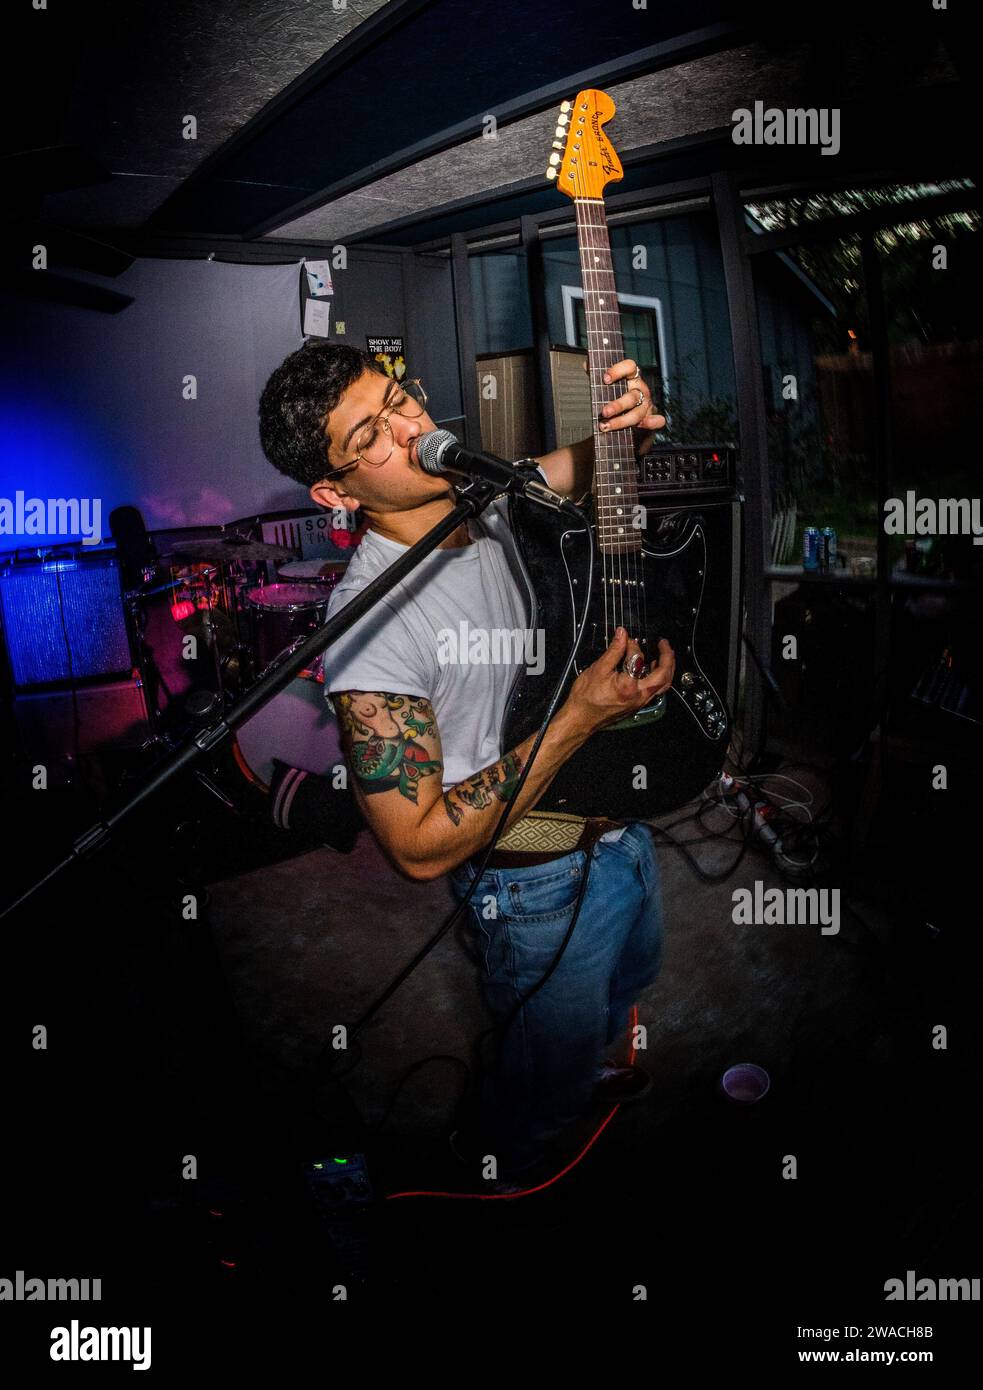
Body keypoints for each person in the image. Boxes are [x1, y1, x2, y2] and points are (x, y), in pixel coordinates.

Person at [258, 343, 674, 1182]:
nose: (412, 427)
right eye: (369, 433)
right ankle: (502, 1168)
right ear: (335, 493)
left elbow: (596, 464)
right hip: (532, 885)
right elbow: (413, 846)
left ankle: (584, 1066)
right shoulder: (370, 630)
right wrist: (579, 718)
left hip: (619, 828)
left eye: (400, 398)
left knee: (627, 985)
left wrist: (629, 427)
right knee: (538, 1091)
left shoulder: (481, 491)